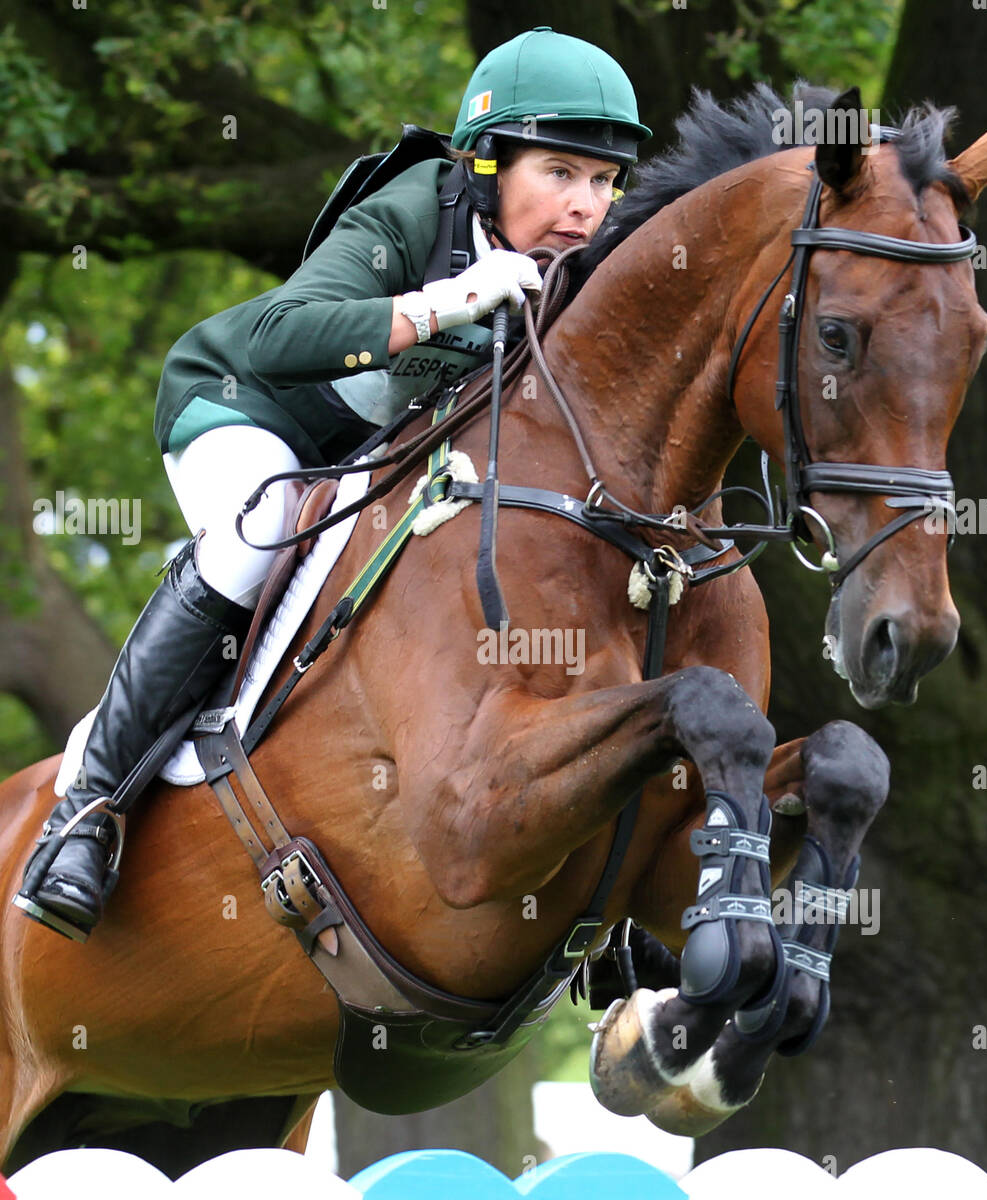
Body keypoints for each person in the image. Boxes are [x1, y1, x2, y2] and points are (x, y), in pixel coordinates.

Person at [15, 27, 650, 942]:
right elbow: (279, 333)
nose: (587, 207)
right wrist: (447, 302)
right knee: (259, 528)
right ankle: (88, 812)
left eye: (603, 181)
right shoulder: (406, 213)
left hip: (371, 459)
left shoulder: (581, 267)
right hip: (244, 410)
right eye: (560, 172)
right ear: (484, 165)